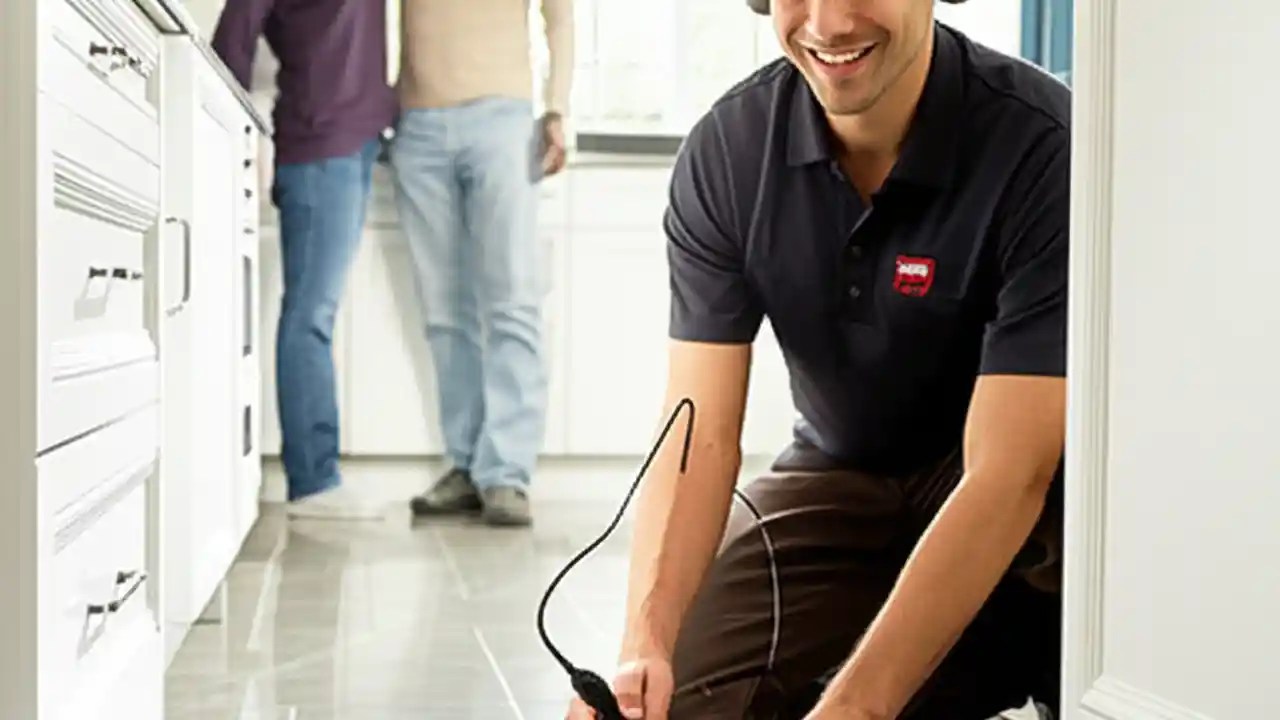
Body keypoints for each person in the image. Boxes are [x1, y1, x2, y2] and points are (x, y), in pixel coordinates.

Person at [565, 0, 1070, 717]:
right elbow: (699, 433)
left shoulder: (1044, 146)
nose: (829, 24)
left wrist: (856, 706)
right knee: (682, 696)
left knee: (1053, 600)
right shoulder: (730, 152)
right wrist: (644, 641)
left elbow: (1009, 476)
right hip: (839, 477)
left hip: (1022, 498)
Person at [212, 0, 397, 519]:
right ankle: (313, 480)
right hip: (319, 148)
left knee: (314, 314)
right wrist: (233, 142)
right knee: (309, 316)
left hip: (354, 142)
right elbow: (231, 44)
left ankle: (314, 476)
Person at [391, 0, 574, 527]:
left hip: (502, 122)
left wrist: (557, 107)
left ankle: (507, 473)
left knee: (512, 302)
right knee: (445, 314)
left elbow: (559, 16)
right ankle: (468, 466)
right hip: (417, 128)